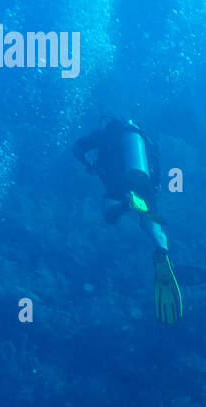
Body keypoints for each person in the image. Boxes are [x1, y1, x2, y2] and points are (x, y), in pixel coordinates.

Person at [72, 116, 182, 324]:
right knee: (153, 225)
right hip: (145, 183)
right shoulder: (144, 139)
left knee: (109, 214)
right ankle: (162, 251)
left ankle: (127, 204)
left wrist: (88, 166)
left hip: (120, 183)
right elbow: (156, 169)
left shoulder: (106, 132)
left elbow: (75, 148)